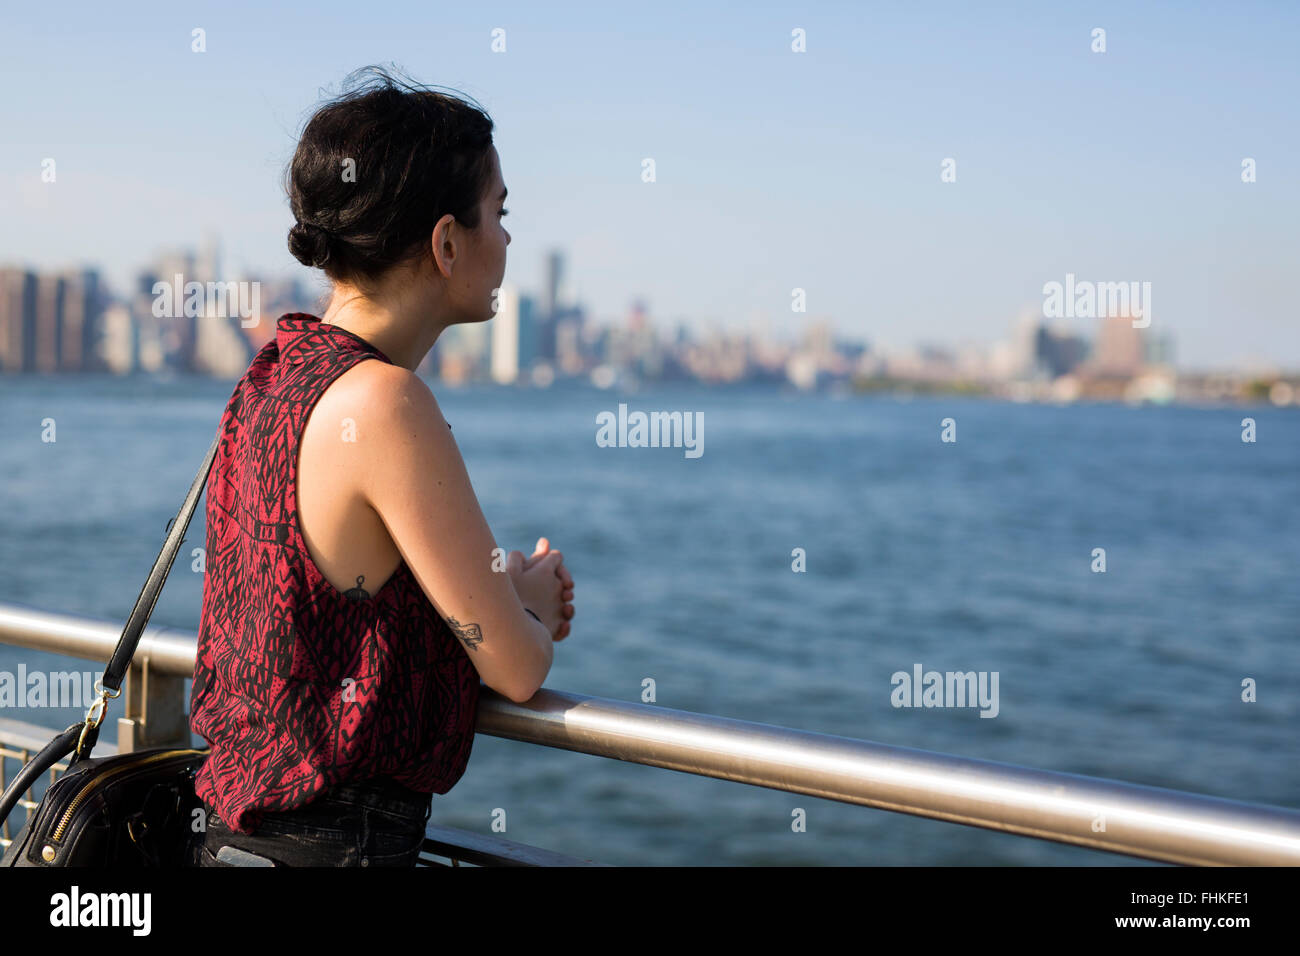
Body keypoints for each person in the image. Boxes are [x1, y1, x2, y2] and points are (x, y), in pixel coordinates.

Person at [188, 66, 574, 867]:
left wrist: (492, 585)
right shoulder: (386, 403)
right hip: (338, 847)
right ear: (444, 242)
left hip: (236, 840)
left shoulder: (276, 373)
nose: (505, 241)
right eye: (498, 215)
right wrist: (528, 607)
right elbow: (515, 665)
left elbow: (329, 597)